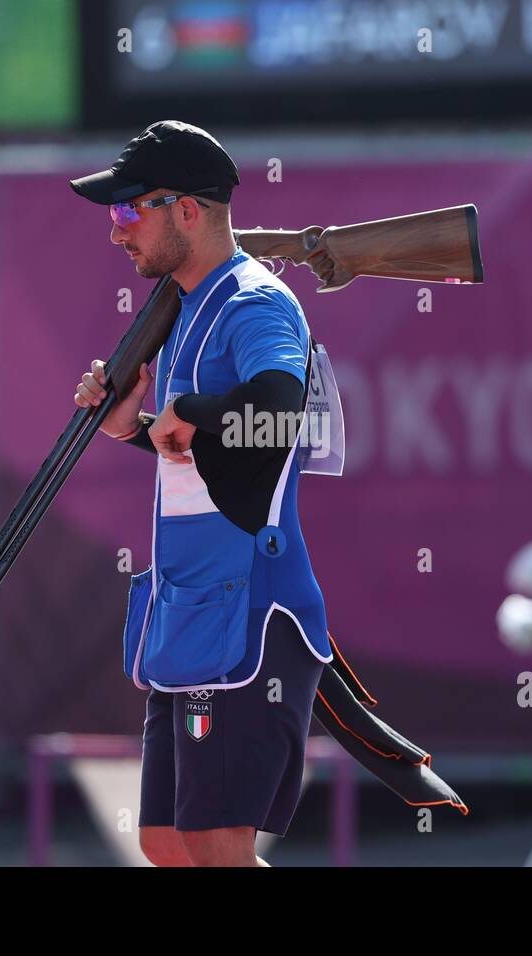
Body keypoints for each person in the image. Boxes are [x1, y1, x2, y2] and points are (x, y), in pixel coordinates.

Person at [70, 120, 333, 867]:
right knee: (167, 844)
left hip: (249, 612)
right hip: (195, 612)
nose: (116, 231)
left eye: (128, 211)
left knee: (217, 847)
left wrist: (191, 413)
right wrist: (136, 426)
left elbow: (280, 410)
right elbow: (207, 451)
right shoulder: (189, 306)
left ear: (186, 209)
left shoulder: (251, 302)